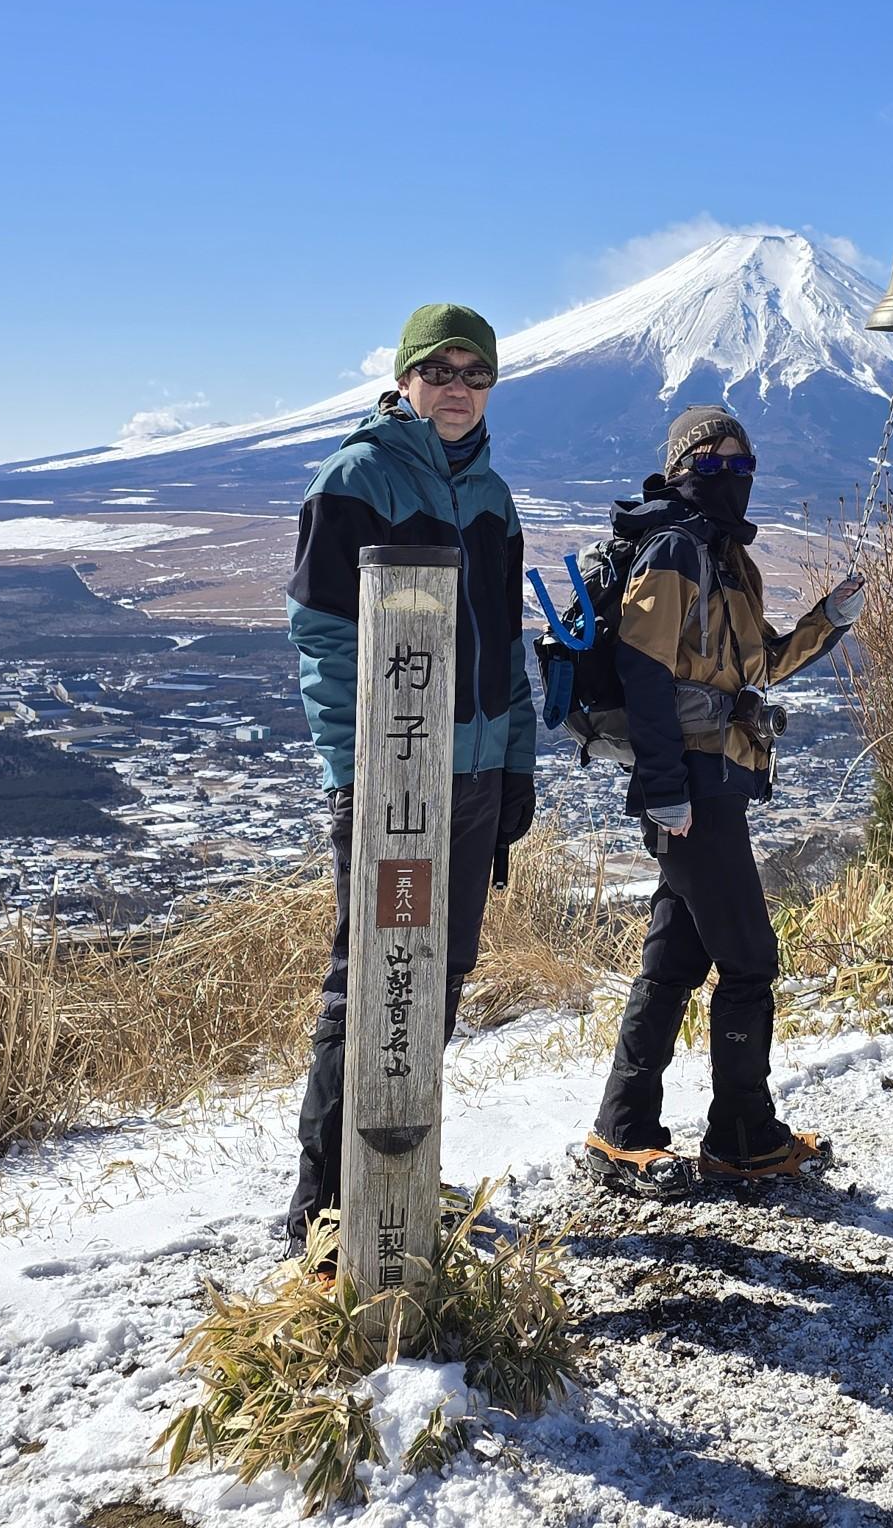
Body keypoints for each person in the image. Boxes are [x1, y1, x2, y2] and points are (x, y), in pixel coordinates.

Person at [283, 302, 537, 1258]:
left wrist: (514, 762)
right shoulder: (357, 477)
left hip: (471, 779)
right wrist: (364, 771)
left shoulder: (495, 497)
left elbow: (505, 643)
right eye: (442, 371)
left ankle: (400, 1159)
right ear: (405, 380)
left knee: (442, 975)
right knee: (368, 982)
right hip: (391, 782)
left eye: (478, 374)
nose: (460, 389)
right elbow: (321, 635)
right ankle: (324, 1209)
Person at [583, 404, 866, 1194]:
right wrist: (665, 790)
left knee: (675, 960)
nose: (731, 480)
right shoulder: (675, 549)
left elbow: (760, 666)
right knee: (749, 960)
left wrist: (829, 621)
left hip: (719, 778)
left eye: (743, 468)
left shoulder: (726, 558)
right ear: (681, 469)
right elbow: (644, 671)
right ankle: (743, 1136)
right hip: (691, 783)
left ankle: (622, 1130)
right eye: (715, 466)